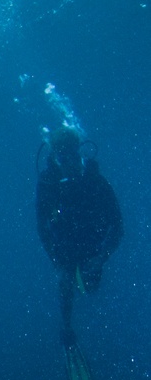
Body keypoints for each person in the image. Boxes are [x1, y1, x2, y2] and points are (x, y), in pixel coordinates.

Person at [36, 124, 123, 346]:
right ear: (55, 159)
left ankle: (80, 279)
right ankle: (66, 327)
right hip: (64, 244)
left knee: (91, 287)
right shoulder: (48, 185)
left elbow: (118, 225)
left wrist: (102, 257)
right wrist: (55, 261)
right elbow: (42, 227)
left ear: (80, 154)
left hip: (92, 242)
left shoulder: (96, 181)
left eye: (73, 157)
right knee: (66, 282)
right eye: (63, 158)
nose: (70, 164)